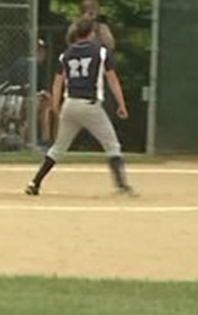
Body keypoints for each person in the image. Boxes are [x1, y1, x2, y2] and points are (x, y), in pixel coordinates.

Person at [25, 18, 136, 197]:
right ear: (91, 33)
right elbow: (113, 81)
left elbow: (57, 84)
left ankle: (35, 182)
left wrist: (55, 107)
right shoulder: (100, 53)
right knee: (112, 145)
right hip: (90, 105)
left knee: (58, 148)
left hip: (70, 105)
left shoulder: (66, 55)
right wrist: (121, 104)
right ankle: (122, 186)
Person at [5, 38, 53, 145]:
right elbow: (23, 87)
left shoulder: (39, 67)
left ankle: (46, 140)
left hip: (28, 99)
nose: (42, 54)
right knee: (34, 103)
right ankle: (29, 140)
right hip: (11, 98)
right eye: (38, 50)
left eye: (43, 51)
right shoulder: (22, 64)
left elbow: (43, 89)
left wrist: (45, 95)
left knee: (47, 104)